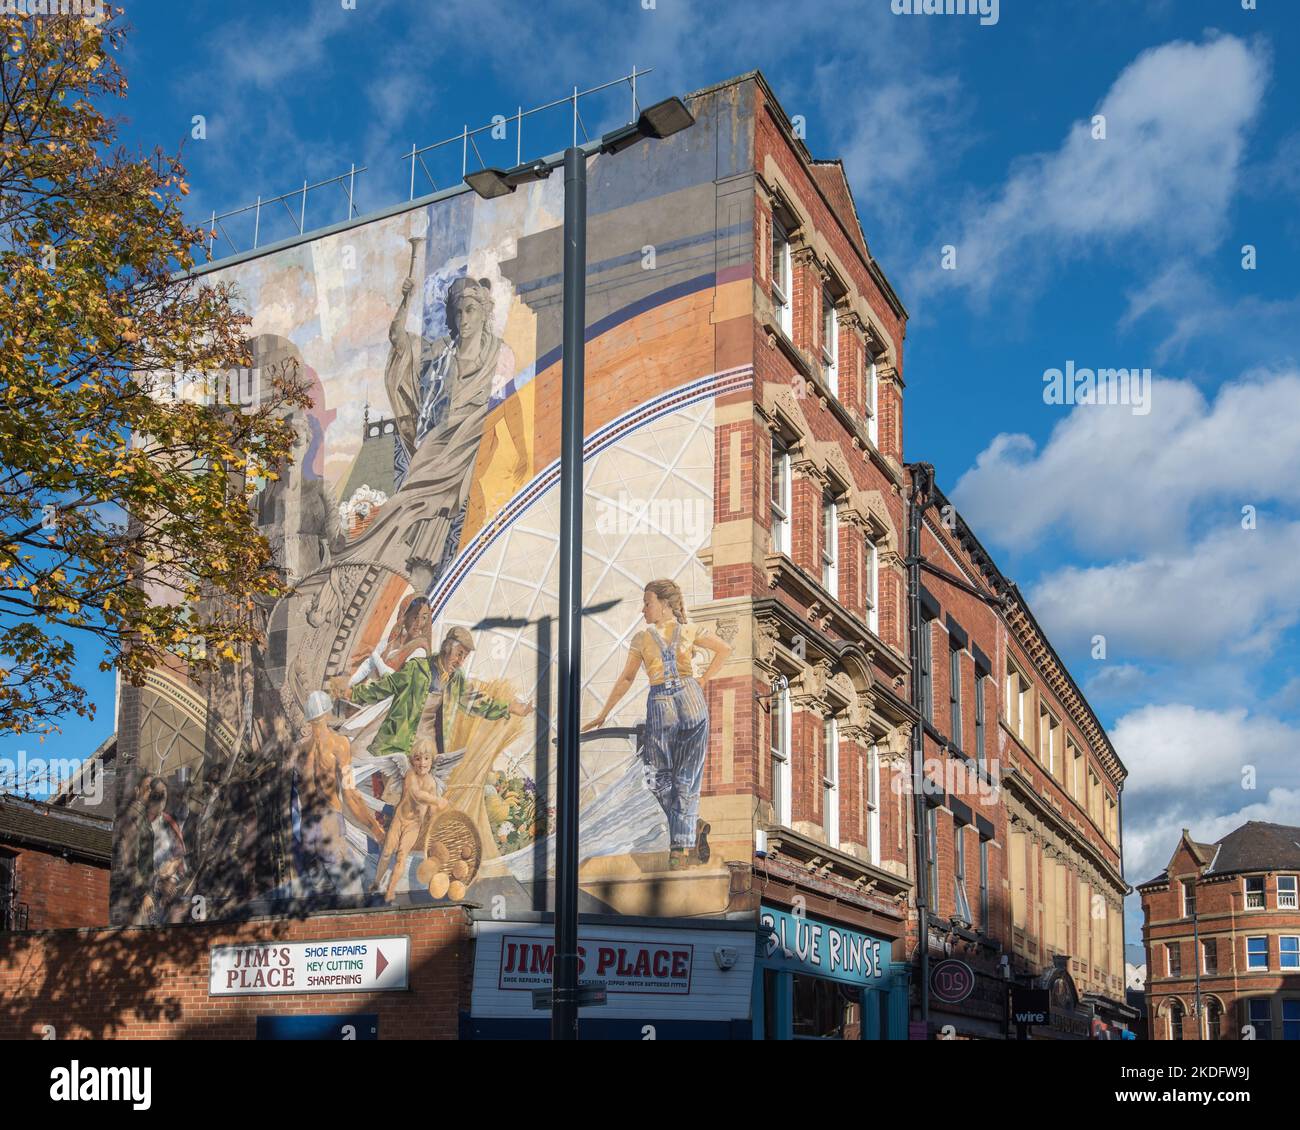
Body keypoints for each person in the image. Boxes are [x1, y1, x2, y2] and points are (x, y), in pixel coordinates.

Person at [343, 274, 529, 595]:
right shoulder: (442, 353)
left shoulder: (500, 354)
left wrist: (523, 451)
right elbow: (400, 341)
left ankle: (439, 588)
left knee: (454, 515)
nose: (463, 319)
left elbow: (508, 407)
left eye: (470, 310)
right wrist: (405, 299)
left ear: (484, 311)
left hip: (472, 447)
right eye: (458, 312)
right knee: (415, 510)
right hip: (437, 448)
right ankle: (415, 589)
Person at [583, 579, 732, 870]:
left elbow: (627, 678)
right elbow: (724, 649)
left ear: (664, 605)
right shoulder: (688, 631)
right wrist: (701, 681)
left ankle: (679, 847)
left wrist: (604, 712)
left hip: (663, 703)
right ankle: (689, 830)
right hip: (692, 699)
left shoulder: (642, 639)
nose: (643, 609)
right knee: (687, 778)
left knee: (655, 776)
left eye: (647, 602)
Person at [333, 626, 532, 767]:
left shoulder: (456, 680)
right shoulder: (417, 668)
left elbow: (476, 701)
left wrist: (509, 708)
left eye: (464, 657)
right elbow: (387, 687)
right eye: (459, 654)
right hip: (400, 737)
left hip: (428, 744)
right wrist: (354, 693)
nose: (460, 661)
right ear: (447, 647)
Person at [293, 690, 382, 898]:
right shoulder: (339, 744)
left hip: (307, 832)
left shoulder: (298, 751)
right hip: (329, 826)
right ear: (328, 713)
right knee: (354, 896)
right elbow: (351, 795)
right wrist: (374, 827)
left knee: (323, 901)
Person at [370, 736, 446, 902]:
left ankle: (390, 890)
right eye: (418, 759)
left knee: (401, 856)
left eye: (426, 759)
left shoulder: (432, 783)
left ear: (432, 761)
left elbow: (432, 812)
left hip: (414, 825)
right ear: (412, 760)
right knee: (386, 852)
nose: (422, 763)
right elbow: (417, 795)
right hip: (399, 819)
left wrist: (433, 821)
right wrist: (437, 800)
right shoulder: (410, 775)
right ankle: (376, 882)